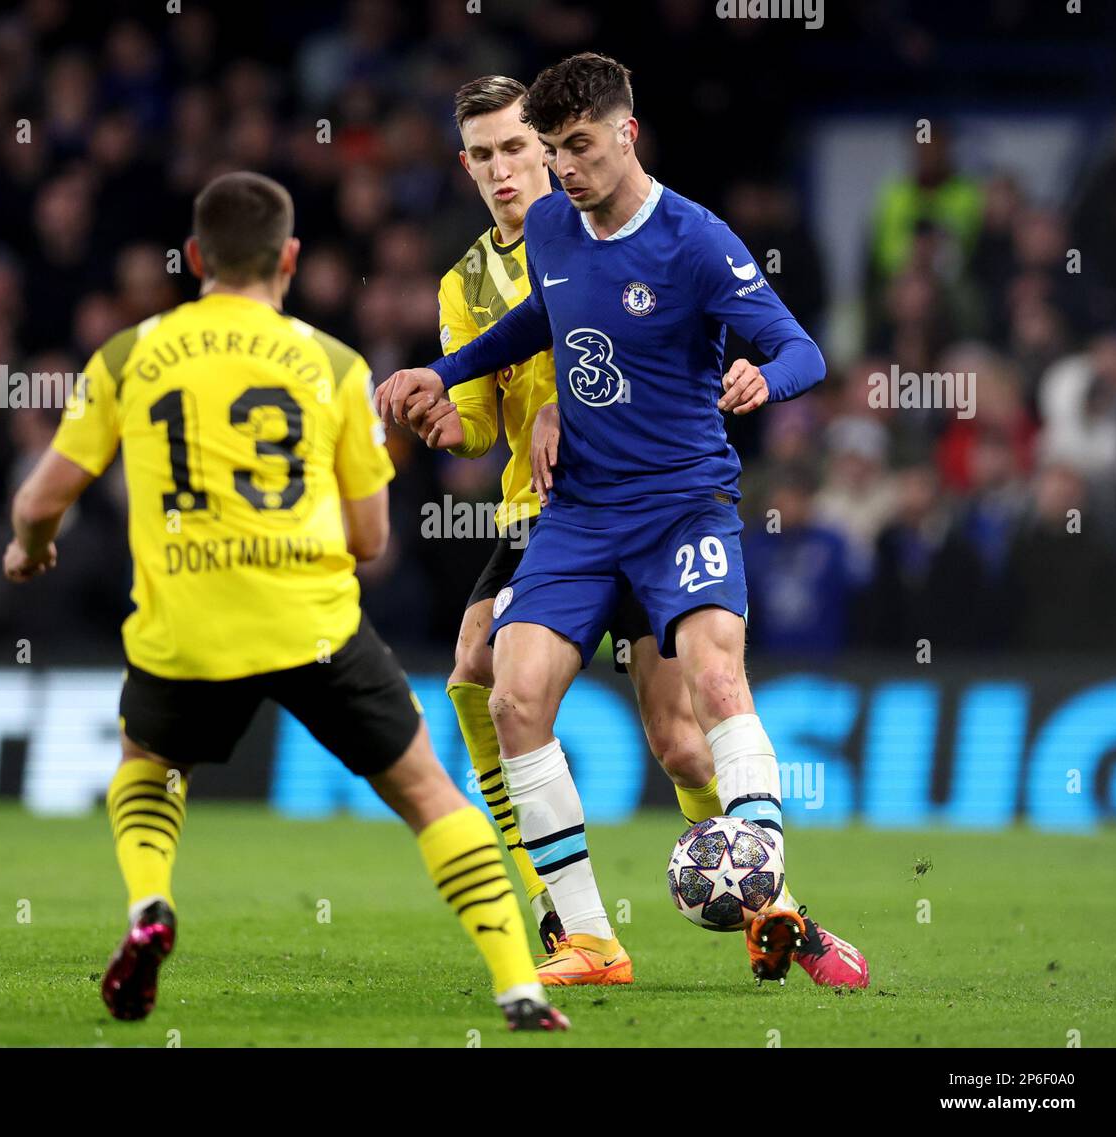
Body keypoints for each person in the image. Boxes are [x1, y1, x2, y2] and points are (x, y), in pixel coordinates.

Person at [3, 170, 568, 1030]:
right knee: (427, 793)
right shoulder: (334, 364)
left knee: (148, 764)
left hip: (185, 626)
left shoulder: (126, 355)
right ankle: (518, 982)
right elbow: (373, 541)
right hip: (313, 624)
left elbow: (40, 502)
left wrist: (29, 549)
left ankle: (150, 906)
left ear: (193, 257)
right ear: (291, 259)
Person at [377, 54, 868, 989]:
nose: (562, 169)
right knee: (509, 693)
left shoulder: (695, 239)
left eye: (575, 146)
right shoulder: (553, 228)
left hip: (683, 504)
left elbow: (801, 346)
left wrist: (767, 378)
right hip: (578, 510)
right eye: (549, 149)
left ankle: (768, 882)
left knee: (709, 695)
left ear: (625, 133)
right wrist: (446, 374)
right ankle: (592, 940)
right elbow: (537, 324)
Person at [410, 74, 730, 986]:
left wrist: (568, 413)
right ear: (464, 166)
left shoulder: (606, 224)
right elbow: (475, 423)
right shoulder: (465, 280)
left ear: (548, 146)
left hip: (645, 498)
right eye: (483, 156)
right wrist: (441, 416)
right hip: (541, 514)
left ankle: (761, 892)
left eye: (517, 147)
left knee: (676, 739)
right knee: (477, 665)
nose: (504, 170)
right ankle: (557, 905)